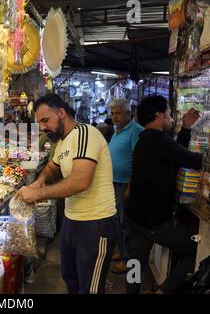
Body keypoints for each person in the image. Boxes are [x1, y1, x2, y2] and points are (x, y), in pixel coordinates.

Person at [16, 93, 119, 294]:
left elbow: (80, 181)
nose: (43, 127)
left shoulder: (86, 133)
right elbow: (52, 167)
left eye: (46, 120)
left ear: (61, 113)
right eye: (40, 123)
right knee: (70, 278)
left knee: (90, 288)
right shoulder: (63, 143)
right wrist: (39, 181)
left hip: (96, 223)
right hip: (73, 221)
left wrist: (38, 194)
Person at [126, 95, 202, 294]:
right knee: (195, 252)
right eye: (169, 115)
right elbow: (193, 160)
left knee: (134, 262)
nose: (171, 120)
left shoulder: (147, 139)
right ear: (159, 115)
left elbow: (176, 154)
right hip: (154, 221)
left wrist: (185, 128)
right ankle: (164, 291)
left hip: (135, 217)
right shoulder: (158, 141)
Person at [107, 99, 144, 274]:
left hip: (125, 184)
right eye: (112, 113)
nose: (114, 116)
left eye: (118, 113)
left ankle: (129, 261)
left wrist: (131, 185)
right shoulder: (117, 131)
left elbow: (140, 161)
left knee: (125, 223)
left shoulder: (135, 132)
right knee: (116, 221)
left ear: (129, 113)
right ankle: (122, 253)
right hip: (113, 183)